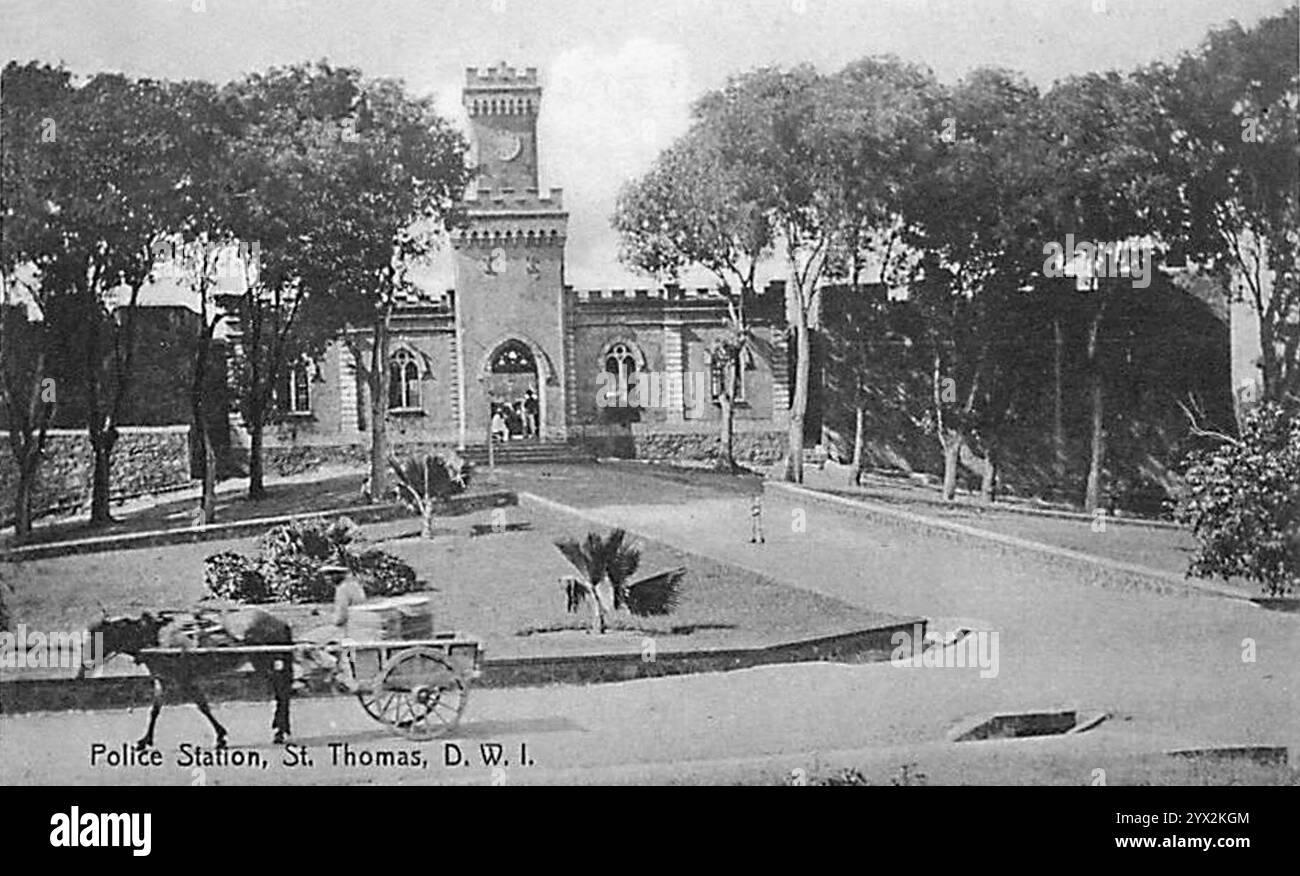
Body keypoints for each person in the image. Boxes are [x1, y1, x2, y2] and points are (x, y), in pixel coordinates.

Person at [297, 562, 367, 692]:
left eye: (330, 575)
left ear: (339, 575)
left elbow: (339, 620)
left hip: (347, 631)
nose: (327, 578)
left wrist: (322, 616)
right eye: (326, 575)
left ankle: (331, 666)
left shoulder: (343, 590)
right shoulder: (356, 587)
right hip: (358, 628)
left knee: (304, 643)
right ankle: (335, 670)